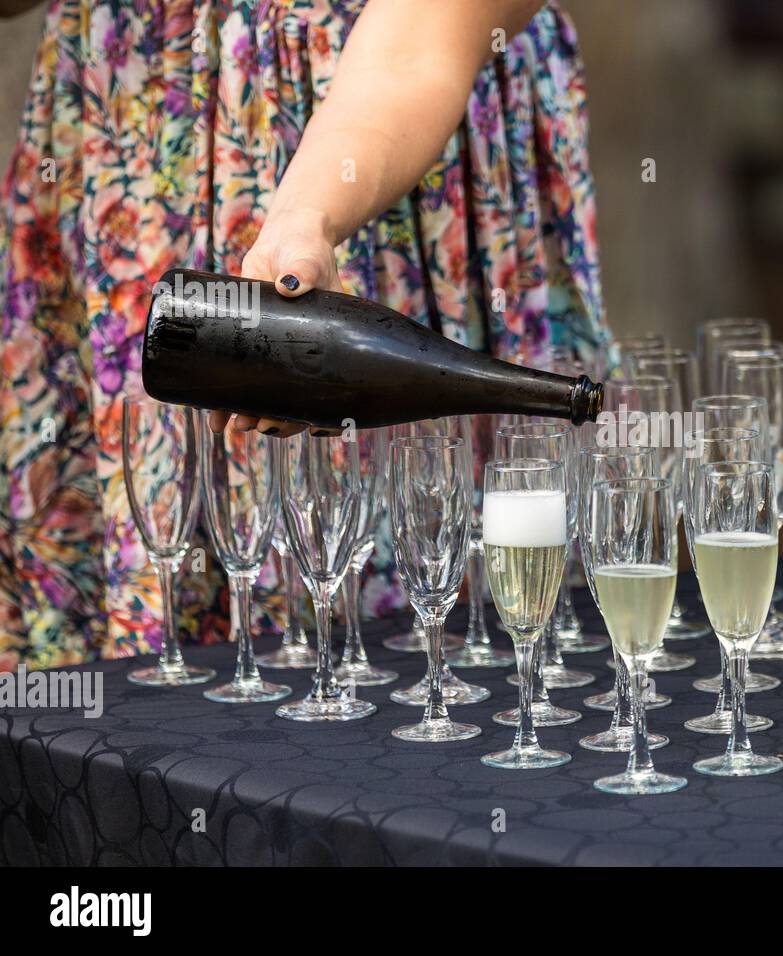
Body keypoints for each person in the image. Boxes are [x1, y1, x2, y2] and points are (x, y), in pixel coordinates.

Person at [0, 0, 608, 669]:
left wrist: (306, 219)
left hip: (392, 141)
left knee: (411, 655)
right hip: (122, 130)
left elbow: (415, 47)